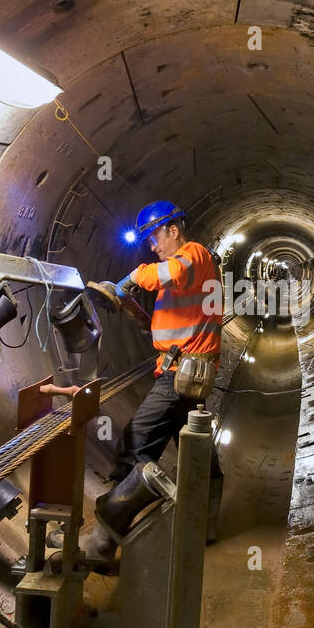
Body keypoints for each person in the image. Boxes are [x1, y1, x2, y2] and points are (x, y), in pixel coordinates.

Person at [80, 200, 224, 567]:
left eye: (154, 237)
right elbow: (161, 324)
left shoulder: (194, 257)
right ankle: (203, 527)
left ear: (173, 230)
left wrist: (129, 279)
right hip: (183, 373)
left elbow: (162, 274)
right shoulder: (182, 277)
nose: (152, 246)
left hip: (182, 376)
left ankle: (101, 543)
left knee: (135, 442)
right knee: (199, 454)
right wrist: (130, 306)